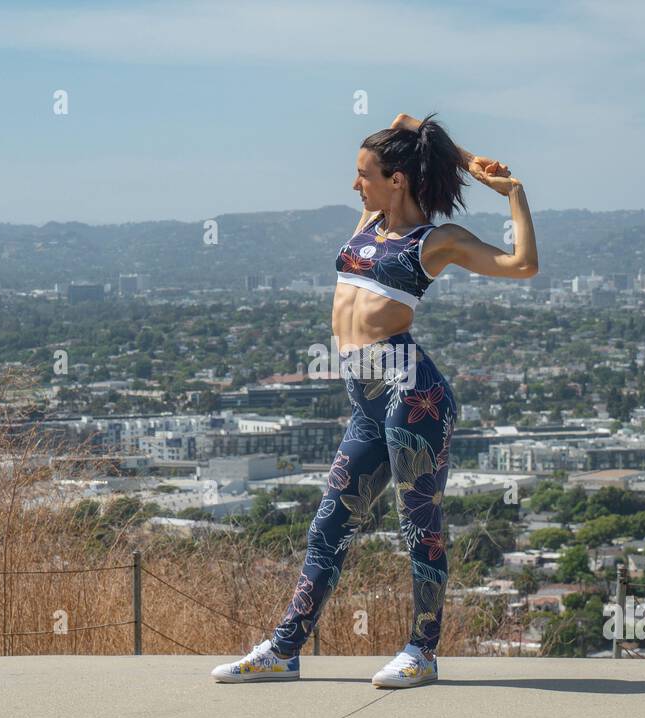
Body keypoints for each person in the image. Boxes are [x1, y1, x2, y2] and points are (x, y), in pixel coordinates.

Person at [212, 111, 538, 687]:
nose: (354, 185)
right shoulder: (370, 219)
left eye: (364, 174)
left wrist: (511, 192)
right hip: (366, 402)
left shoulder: (434, 241)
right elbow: (407, 120)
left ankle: (422, 651)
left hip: (414, 394)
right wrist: (464, 158)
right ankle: (284, 649)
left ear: (398, 181)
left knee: (419, 525)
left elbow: (522, 265)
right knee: (329, 525)